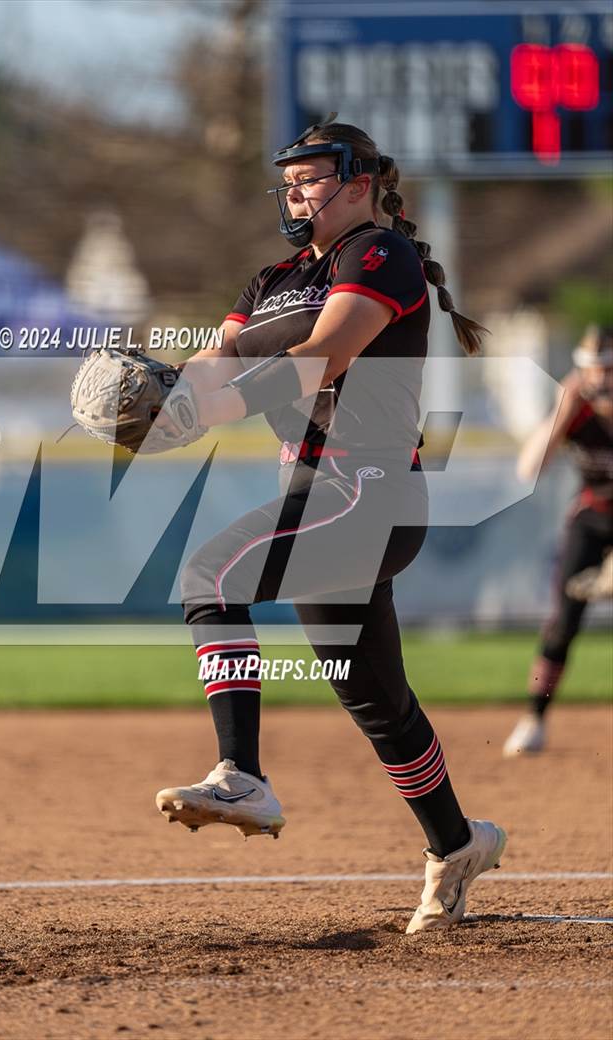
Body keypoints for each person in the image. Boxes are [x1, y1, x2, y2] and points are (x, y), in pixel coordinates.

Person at [154, 117, 506, 934]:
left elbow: (326, 353)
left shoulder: (379, 254)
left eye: (311, 177)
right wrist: (163, 394)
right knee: (375, 699)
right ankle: (458, 845)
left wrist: (215, 408)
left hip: (368, 490)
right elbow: (218, 360)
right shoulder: (271, 277)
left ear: (360, 184)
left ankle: (242, 775)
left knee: (211, 576)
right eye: (288, 181)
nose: (295, 192)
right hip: (318, 492)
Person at [503, 325, 613, 757]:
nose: (600, 378)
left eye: (608, 368)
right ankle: (534, 717)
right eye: (592, 369)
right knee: (563, 623)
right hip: (592, 517)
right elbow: (528, 469)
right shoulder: (577, 409)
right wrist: (561, 410)